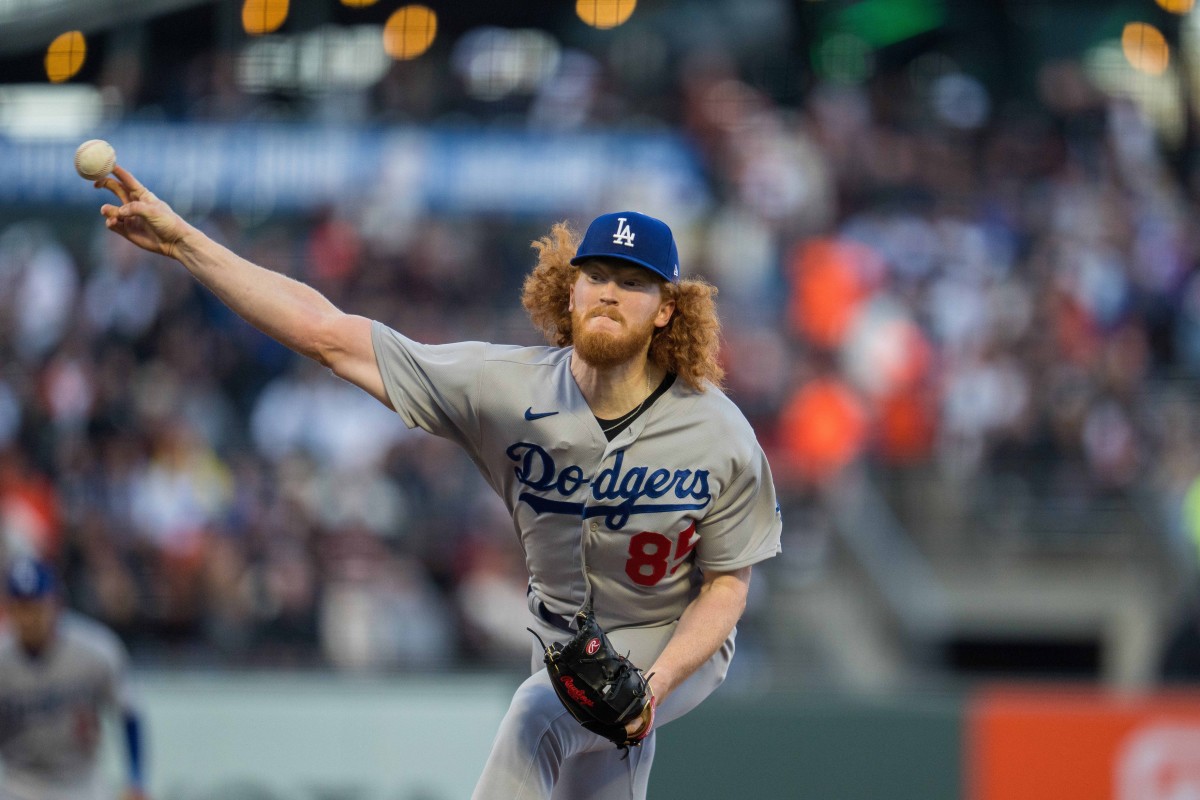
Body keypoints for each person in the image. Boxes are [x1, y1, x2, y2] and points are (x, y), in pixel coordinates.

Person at [95, 166, 782, 799]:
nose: (609, 291)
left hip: (673, 638)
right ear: (568, 290)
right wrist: (184, 242)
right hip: (563, 642)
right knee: (576, 743)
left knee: (536, 714)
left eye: (633, 282)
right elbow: (326, 332)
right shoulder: (505, 387)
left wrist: (653, 688)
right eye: (596, 274)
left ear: (666, 309)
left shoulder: (717, 432)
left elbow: (727, 585)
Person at [0, 557, 148, 800]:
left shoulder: (95, 649)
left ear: (56, 605)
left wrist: (135, 779)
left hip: (82, 783)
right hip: (19, 783)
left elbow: (128, 713)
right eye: (21, 608)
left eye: (36, 607)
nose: (29, 618)